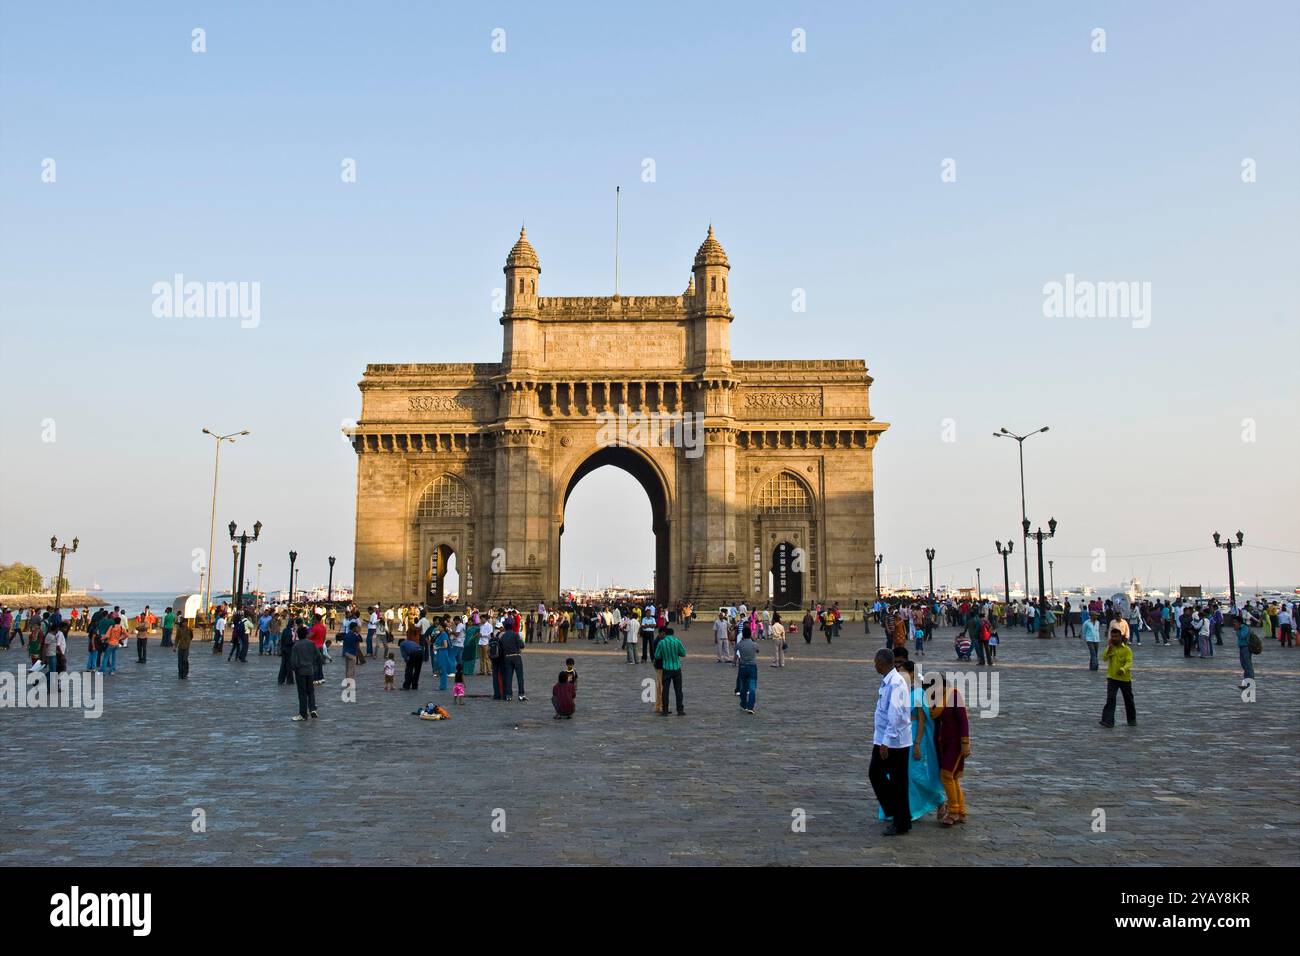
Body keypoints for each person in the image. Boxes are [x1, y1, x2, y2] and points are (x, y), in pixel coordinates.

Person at [877, 662, 945, 825]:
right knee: (897, 775)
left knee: (916, 774)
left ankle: (939, 799)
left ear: (912, 674)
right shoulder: (898, 690)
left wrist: (917, 743)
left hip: (915, 736)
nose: (899, 674)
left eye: (902, 671)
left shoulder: (919, 692)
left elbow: (922, 720)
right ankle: (904, 809)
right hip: (898, 737)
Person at [869, 648, 912, 836]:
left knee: (893, 781)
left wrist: (886, 741)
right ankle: (901, 816)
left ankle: (900, 819)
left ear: (884, 663)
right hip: (884, 738)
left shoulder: (896, 683)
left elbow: (895, 714)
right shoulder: (888, 681)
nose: (875, 665)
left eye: (876, 662)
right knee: (880, 776)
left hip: (894, 741)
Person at [930, 671, 971, 826]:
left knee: (946, 774)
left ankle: (953, 812)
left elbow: (963, 721)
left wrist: (965, 743)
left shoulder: (954, 696)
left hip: (956, 742)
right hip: (943, 742)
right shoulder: (937, 699)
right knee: (952, 777)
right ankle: (961, 810)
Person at [1099, 627, 1136, 728]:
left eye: (1116, 636)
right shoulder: (1110, 647)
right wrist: (1109, 648)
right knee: (1110, 699)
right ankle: (1108, 721)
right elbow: (1104, 658)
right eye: (1112, 636)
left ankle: (1132, 720)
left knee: (1128, 700)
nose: (1114, 638)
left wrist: (1123, 669)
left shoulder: (1127, 650)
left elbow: (1129, 662)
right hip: (1112, 678)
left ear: (1121, 637)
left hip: (1125, 679)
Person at [289, 632, 323, 721]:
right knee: (311, 692)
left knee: (302, 693)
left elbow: (293, 660)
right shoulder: (311, 643)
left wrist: (295, 669)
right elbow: (318, 656)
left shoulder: (296, 645)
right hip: (310, 671)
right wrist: (314, 667)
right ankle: (312, 709)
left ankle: (303, 714)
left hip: (300, 672)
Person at [655, 626, 686, 716]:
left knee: (665, 690)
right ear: (673, 634)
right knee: (678, 690)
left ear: (665, 634)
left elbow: (657, 656)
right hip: (676, 668)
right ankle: (680, 710)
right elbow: (683, 653)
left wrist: (664, 656)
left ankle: (665, 710)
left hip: (666, 669)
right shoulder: (677, 641)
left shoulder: (661, 643)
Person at [499, 625, 527, 701]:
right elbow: (521, 645)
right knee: (520, 677)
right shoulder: (515, 634)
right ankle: (521, 695)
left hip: (507, 657)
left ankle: (509, 695)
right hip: (516, 656)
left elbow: (501, 648)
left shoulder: (503, 636)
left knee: (509, 677)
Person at [736, 626, 758, 713]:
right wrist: (753, 639)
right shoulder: (754, 644)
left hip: (742, 666)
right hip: (752, 666)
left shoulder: (740, 644)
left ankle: (744, 703)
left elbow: (736, 650)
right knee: (752, 688)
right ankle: (750, 706)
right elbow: (758, 650)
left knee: (743, 687)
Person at [175, 615, 194, 679]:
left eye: (186, 622)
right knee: (180, 661)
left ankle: (185, 673)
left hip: (186, 647)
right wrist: (175, 646)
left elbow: (191, 637)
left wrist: (188, 641)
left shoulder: (189, 629)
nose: (185, 624)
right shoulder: (179, 629)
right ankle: (180, 674)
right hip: (180, 647)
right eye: (184, 622)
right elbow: (177, 638)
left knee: (185, 660)